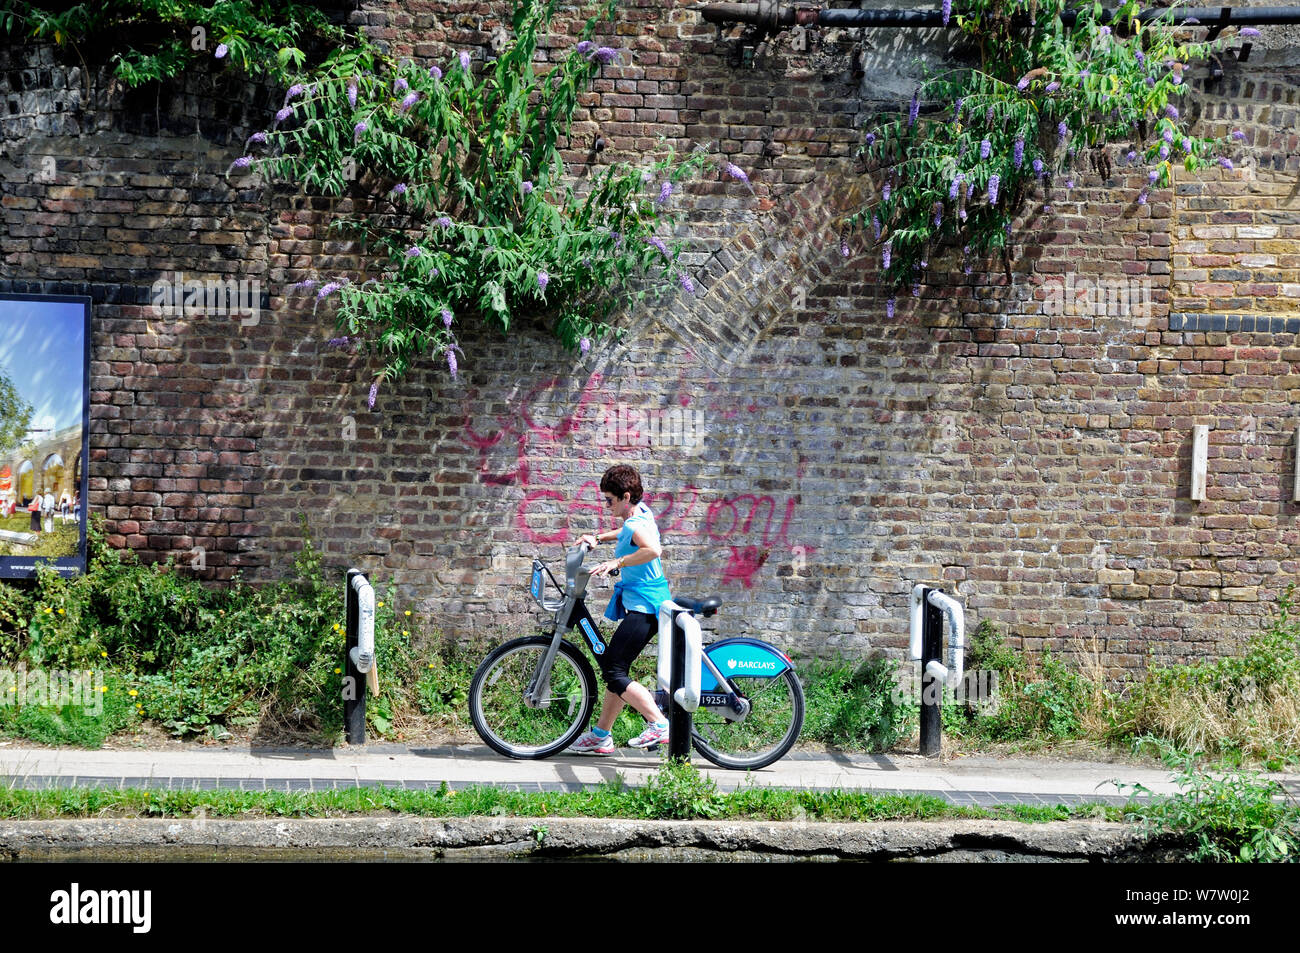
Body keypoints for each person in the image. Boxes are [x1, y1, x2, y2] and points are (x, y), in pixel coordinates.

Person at [567, 464, 673, 755]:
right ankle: (601, 735)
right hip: (646, 603)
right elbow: (627, 533)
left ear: (625, 497)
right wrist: (598, 538)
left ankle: (659, 724)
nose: (606, 504)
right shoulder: (638, 514)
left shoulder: (637, 524)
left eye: (610, 500)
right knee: (617, 670)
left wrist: (617, 563)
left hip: (646, 607)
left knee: (614, 671)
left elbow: (652, 549)